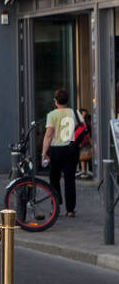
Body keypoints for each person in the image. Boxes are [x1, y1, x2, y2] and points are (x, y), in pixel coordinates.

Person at [41, 88, 80, 217]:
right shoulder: (74, 112)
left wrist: (44, 153)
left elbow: (48, 135)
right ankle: (70, 210)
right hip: (71, 148)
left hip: (56, 149)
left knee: (54, 179)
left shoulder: (52, 115)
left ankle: (56, 206)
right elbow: (81, 128)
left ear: (56, 101)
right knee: (70, 179)